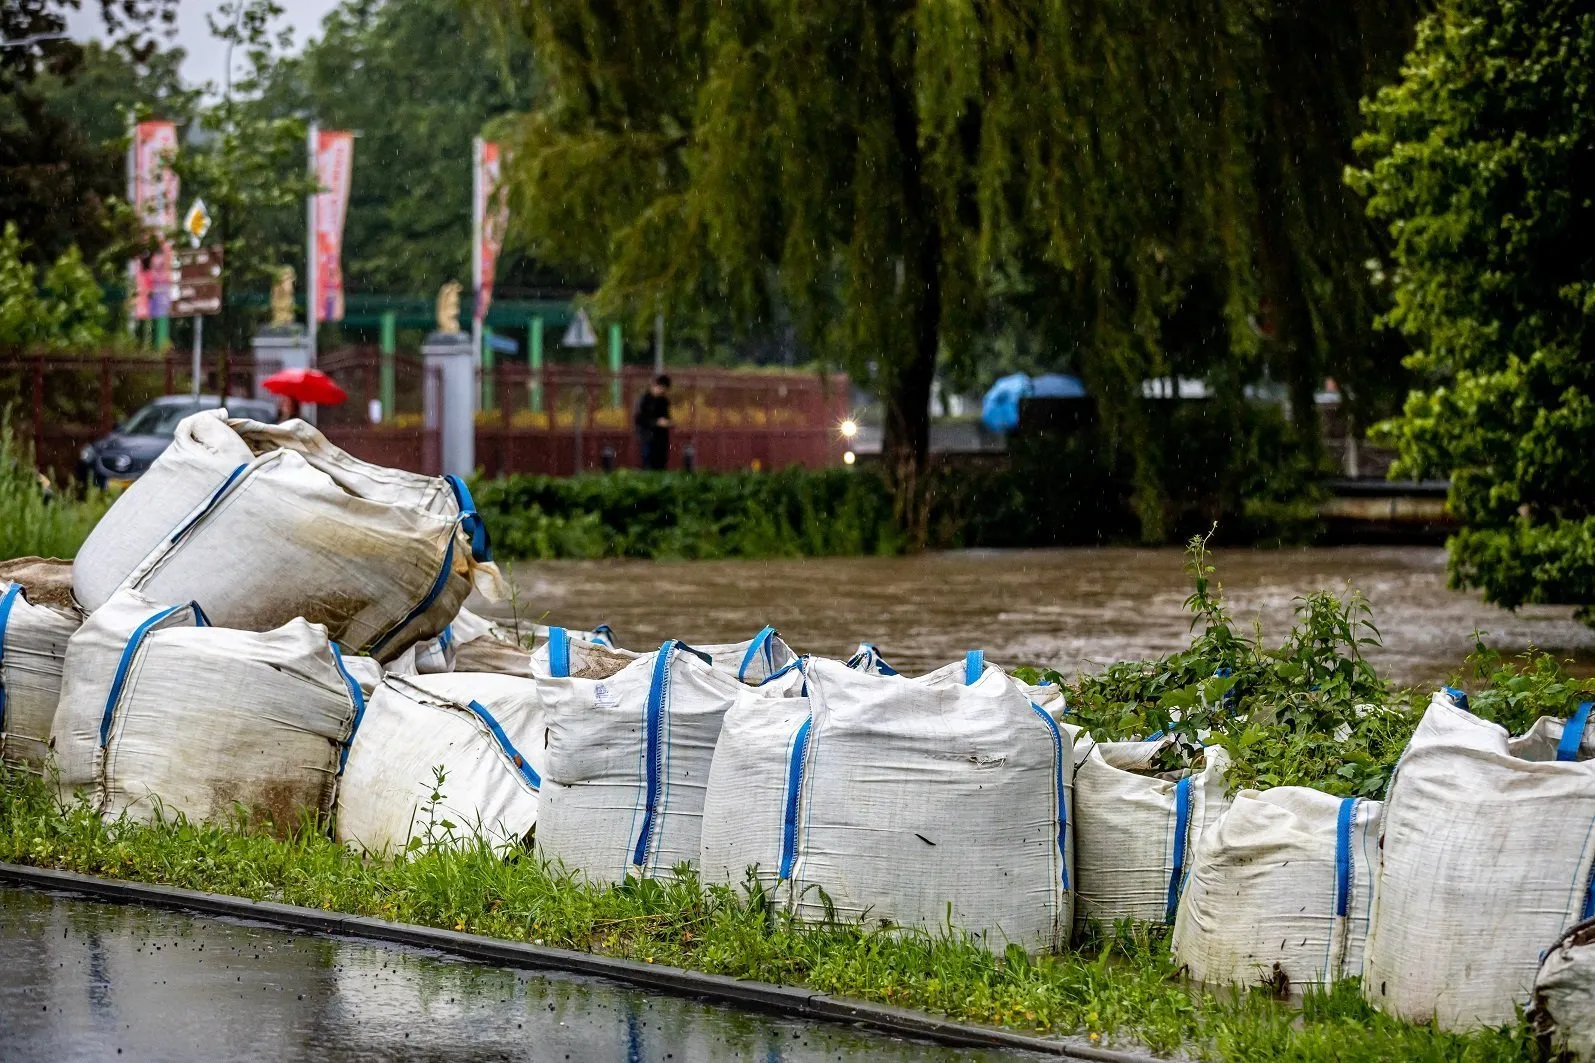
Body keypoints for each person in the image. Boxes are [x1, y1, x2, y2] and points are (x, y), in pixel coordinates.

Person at [634, 374, 672, 470]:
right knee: (648, 462)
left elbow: (667, 416)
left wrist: (668, 422)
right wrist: (656, 422)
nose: (662, 391)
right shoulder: (644, 399)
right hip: (647, 436)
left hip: (661, 437)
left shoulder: (663, 400)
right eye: (661, 388)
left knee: (660, 463)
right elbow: (639, 419)